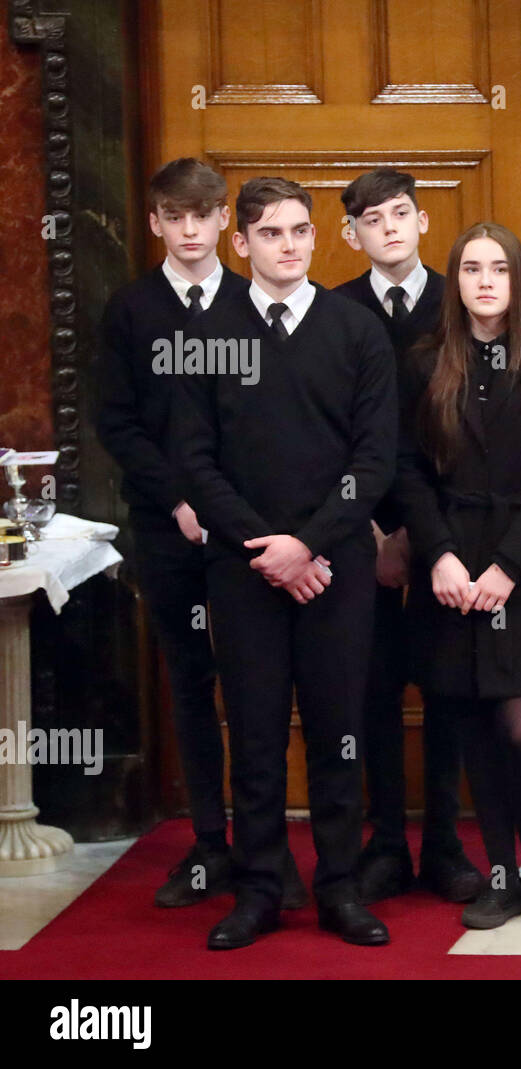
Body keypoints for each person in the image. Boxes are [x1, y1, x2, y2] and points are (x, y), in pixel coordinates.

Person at [172, 177, 397, 950]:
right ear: (241, 245)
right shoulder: (209, 335)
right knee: (259, 736)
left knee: (339, 733)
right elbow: (196, 462)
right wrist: (269, 551)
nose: (289, 245)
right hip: (243, 575)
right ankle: (260, 887)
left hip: (336, 572)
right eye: (270, 233)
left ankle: (339, 887)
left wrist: (311, 544)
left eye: (300, 230)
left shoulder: (356, 331)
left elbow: (375, 460)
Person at [94, 158, 307, 912]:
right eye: (173, 217)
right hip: (168, 529)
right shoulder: (131, 310)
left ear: (226, 223)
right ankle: (211, 843)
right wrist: (181, 499)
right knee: (192, 682)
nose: (189, 230)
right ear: (155, 222)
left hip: (254, 536)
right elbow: (118, 422)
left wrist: (234, 516)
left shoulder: (262, 305)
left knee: (267, 686)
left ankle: (271, 846)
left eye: (202, 215)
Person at [394, 222, 521, 929]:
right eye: (471, 268)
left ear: (518, 280)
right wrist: (438, 553)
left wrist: (507, 564)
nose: (483, 281)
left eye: (498, 269)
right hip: (449, 565)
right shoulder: (423, 364)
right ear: (456, 281)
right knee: (472, 723)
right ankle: (500, 875)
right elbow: (406, 471)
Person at [334, 168, 485, 906]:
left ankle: (446, 844)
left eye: (402, 214)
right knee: (373, 690)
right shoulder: (334, 312)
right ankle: (386, 841)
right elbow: (327, 437)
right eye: (373, 218)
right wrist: (369, 531)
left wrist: (427, 538)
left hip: (446, 535)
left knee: (448, 688)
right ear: (352, 233)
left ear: (424, 222)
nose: (390, 227)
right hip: (359, 531)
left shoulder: (460, 304)